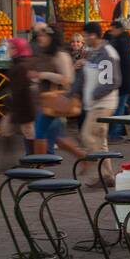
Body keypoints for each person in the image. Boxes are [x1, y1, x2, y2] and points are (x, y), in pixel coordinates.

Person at [71, 21, 121, 188]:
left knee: (87, 135)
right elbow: (87, 74)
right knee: (100, 141)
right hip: (95, 104)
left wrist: (93, 94)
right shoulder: (93, 52)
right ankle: (107, 176)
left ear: (92, 35)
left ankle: (93, 164)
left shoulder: (107, 53)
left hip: (102, 104)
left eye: (85, 35)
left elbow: (113, 81)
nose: (84, 38)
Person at [31, 25, 83, 159]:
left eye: (44, 35)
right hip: (46, 99)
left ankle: (38, 166)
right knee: (57, 137)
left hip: (55, 99)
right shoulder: (46, 54)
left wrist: (43, 75)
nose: (40, 38)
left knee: (40, 132)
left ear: (51, 38)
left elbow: (67, 79)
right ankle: (82, 157)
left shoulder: (61, 55)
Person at [106, 20, 130, 143]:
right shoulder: (126, 40)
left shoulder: (120, 42)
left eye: (112, 30)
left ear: (118, 29)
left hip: (124, 82)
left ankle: (114, 135)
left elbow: (122, 63)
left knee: (119, 109)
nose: (111, 32)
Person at [3, 37, 38, 163]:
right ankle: (10, 160)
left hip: (25, 106)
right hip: (22, 106)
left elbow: (20, 90)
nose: (8, 50)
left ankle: (33, 160)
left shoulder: (21, 66)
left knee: (28, 132)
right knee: (9, 129)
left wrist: (13, 107)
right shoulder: (19, 64)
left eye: (11, 47)